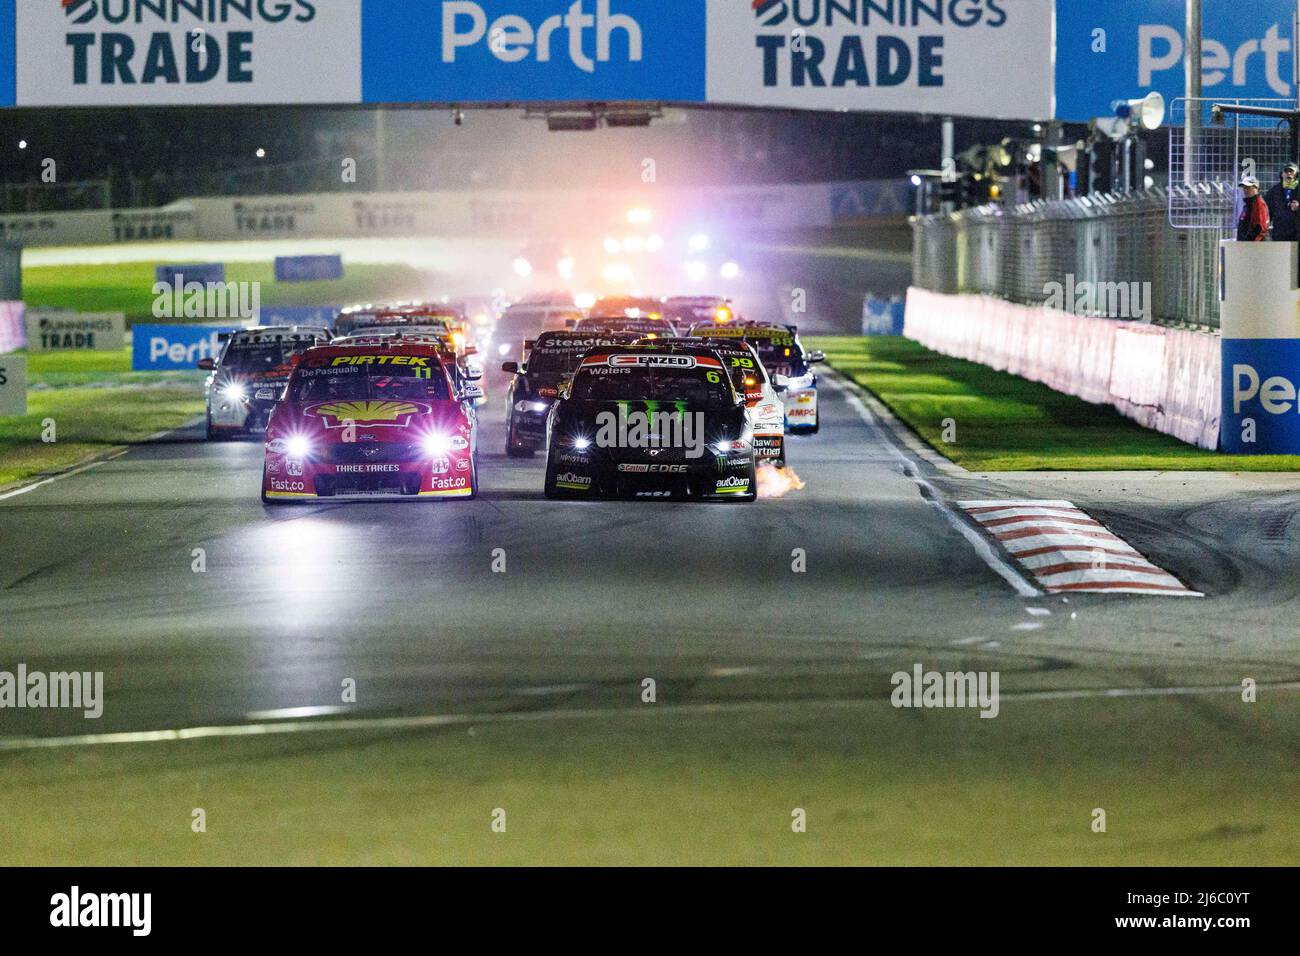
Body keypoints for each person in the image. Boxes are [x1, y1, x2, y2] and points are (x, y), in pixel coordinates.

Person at [1264, 163, 1300, 240]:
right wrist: (1264, 229)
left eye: (1291, 171)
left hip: (1297, 234)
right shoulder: (1274, 191)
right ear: (1282, 174)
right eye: (1286, 171)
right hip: (1279, 234)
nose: (1288, 173)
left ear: (1296, 174)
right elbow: (1266, 212)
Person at [1238, 176, 1270, 242]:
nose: (1245, 190)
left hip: (1255, 246)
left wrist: (1249, 242)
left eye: (1248, 187)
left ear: (1256, 188)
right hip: (1247, 245)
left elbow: (1260, 228)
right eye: (1244, 187)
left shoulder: (1259, 204)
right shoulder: (1249, 204)